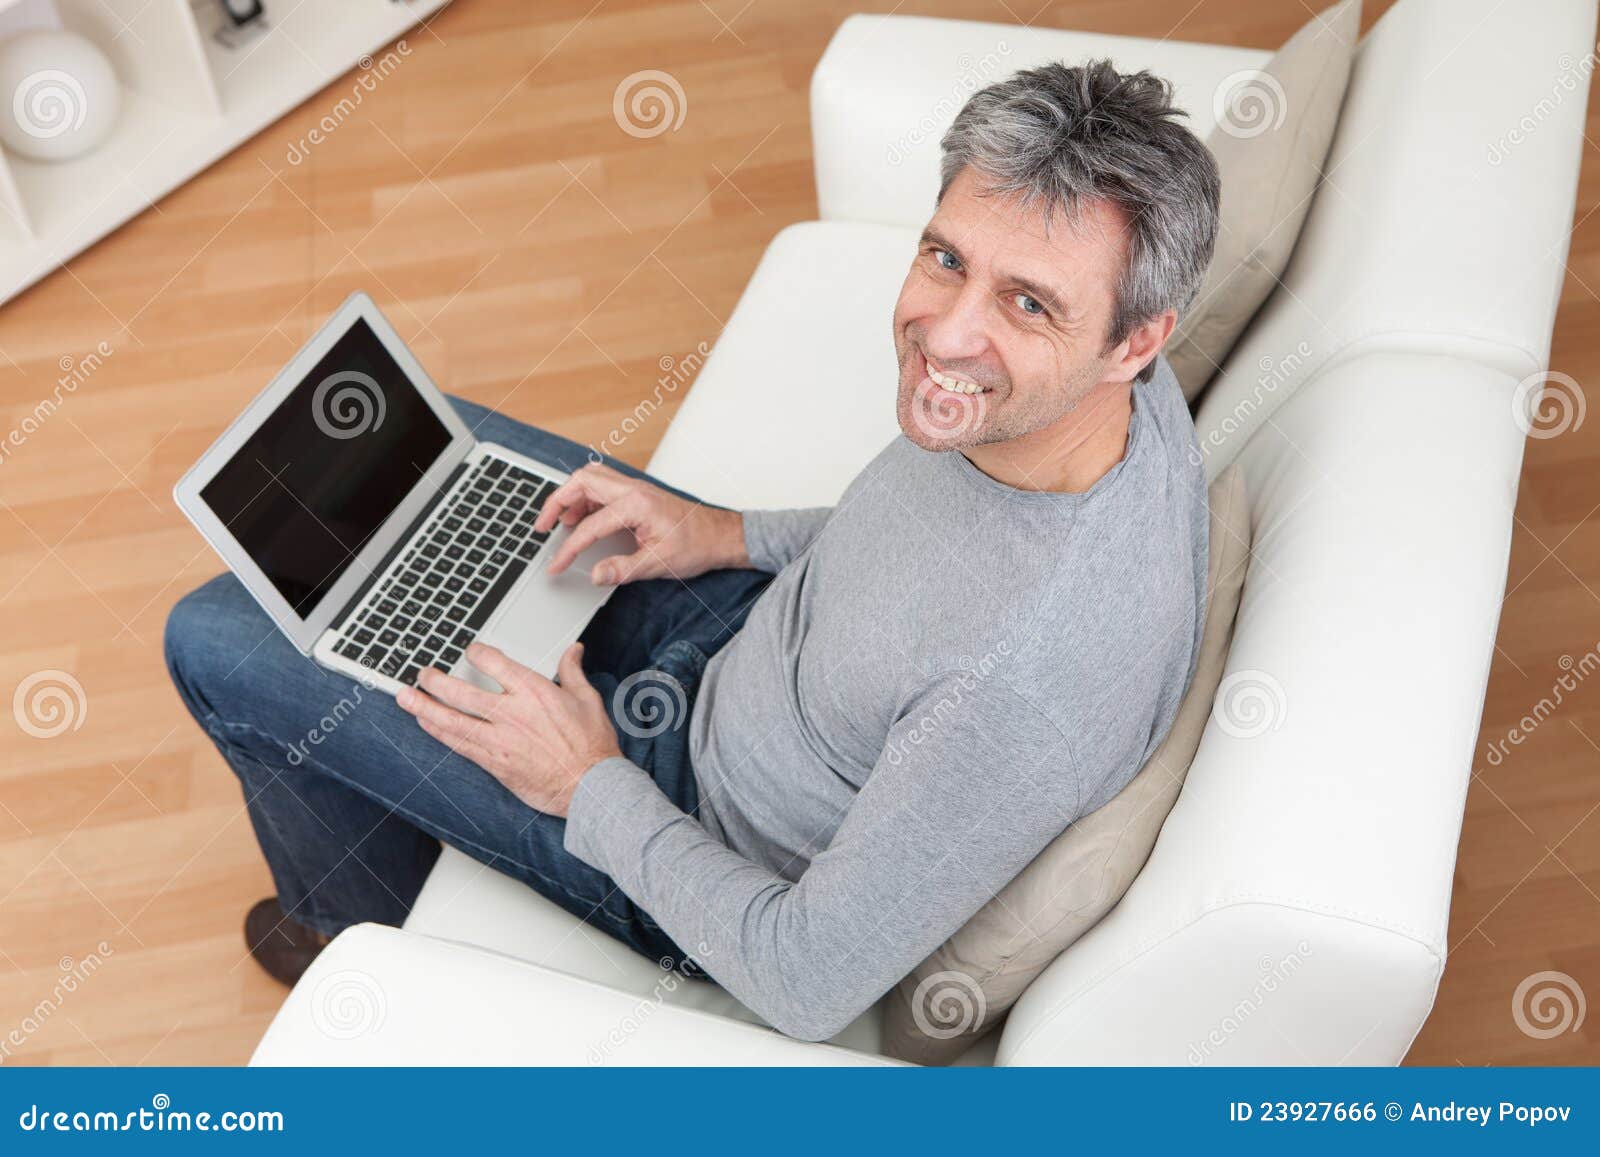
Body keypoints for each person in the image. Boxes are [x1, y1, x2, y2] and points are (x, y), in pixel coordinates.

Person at [165, 59, 1218, 1041]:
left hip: (683, 819)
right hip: (756, 619)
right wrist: (724, 535)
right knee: (425, 458)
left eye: (1024, 303)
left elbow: (805, 978)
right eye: (945, 258)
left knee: (212, 636)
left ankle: (342, 932)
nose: (944, 333)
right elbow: (920, 557)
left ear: (1137, 340)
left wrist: (585, 782)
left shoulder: (1026, 683)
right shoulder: (1104, 401)